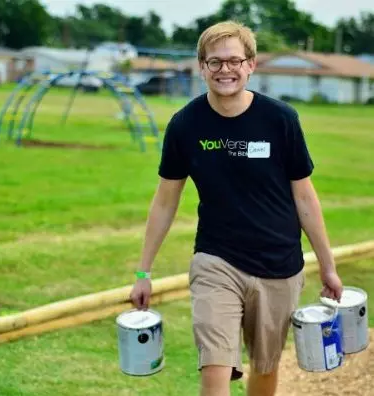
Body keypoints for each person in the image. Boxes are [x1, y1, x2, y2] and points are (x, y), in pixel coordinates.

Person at [130, 20, 343, 396]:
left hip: (279, 264)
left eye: (233, 60)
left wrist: (327, 265)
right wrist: (143, 271)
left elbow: (305, 197)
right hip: (216, 260)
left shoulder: (280, 120)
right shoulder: (185, 125)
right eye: (214, 62)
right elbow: (165, 201)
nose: (224, 69)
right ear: (201, 67)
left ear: (251, 65)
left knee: (265, 368)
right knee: (215, 365)